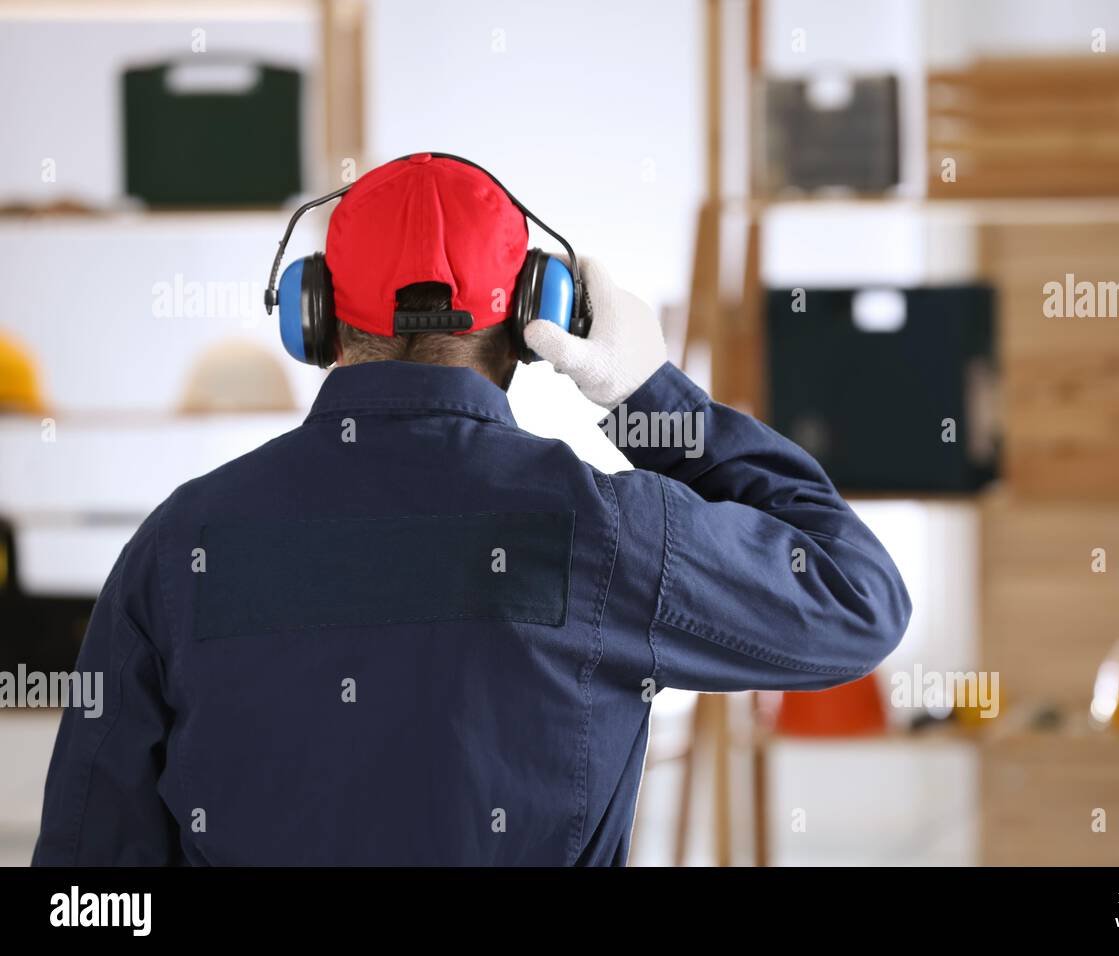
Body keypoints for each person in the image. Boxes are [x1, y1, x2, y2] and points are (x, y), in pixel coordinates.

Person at [32, 155, 910, 866]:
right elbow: (857, 598)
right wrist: (650, 399)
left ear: (316, 314)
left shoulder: (180, 544)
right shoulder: (607, 534)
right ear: (537, 317)